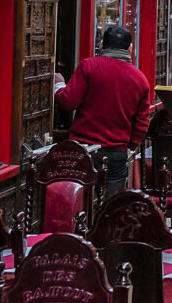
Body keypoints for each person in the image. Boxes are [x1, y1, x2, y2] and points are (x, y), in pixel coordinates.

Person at [54, 25, 151, 195]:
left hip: (84, 149)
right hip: (116, 152)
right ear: (130, 48)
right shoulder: (139, 79)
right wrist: (130, 147)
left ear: (101, 44)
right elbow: (142, 123)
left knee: (80, 199)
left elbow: (68, 102)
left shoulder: (88, 67)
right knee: (111, 202)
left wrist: (59, 85)